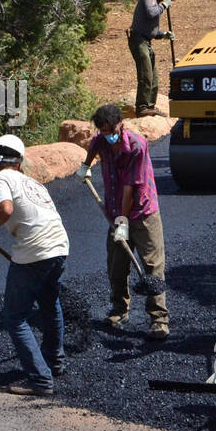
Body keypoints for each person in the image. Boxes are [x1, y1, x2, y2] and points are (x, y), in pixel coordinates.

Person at [0, 135, 69, 396]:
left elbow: (4, 210)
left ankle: (40, 380)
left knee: (15, 317)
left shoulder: (1, 178)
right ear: (19, 161)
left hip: (34, 251)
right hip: (59, 246)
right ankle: (55, 362)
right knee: (50, 304)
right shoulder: (34, 183)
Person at [76, 103, 169, 339]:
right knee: (117, 265)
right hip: (115, 211)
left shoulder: (137, 146)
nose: (108, 136)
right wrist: (86, 166)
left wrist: (122, 223)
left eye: (111, 131)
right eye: (104, 132)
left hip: (141, 213)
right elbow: (94, 145)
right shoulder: (102, 140)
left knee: (152, 266)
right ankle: (119, 310)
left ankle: (158, 318)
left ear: (120, 124)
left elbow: (129, 189)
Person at [128, 0, 173, 117]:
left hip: (146, 40)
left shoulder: (154, 1)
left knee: (154, 76)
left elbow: (150, 31)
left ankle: (150, 106)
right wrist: (164, 5)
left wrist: (163, 34)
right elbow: (151, 13)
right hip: (138, 40)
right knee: (146, 74)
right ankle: (142, 107)